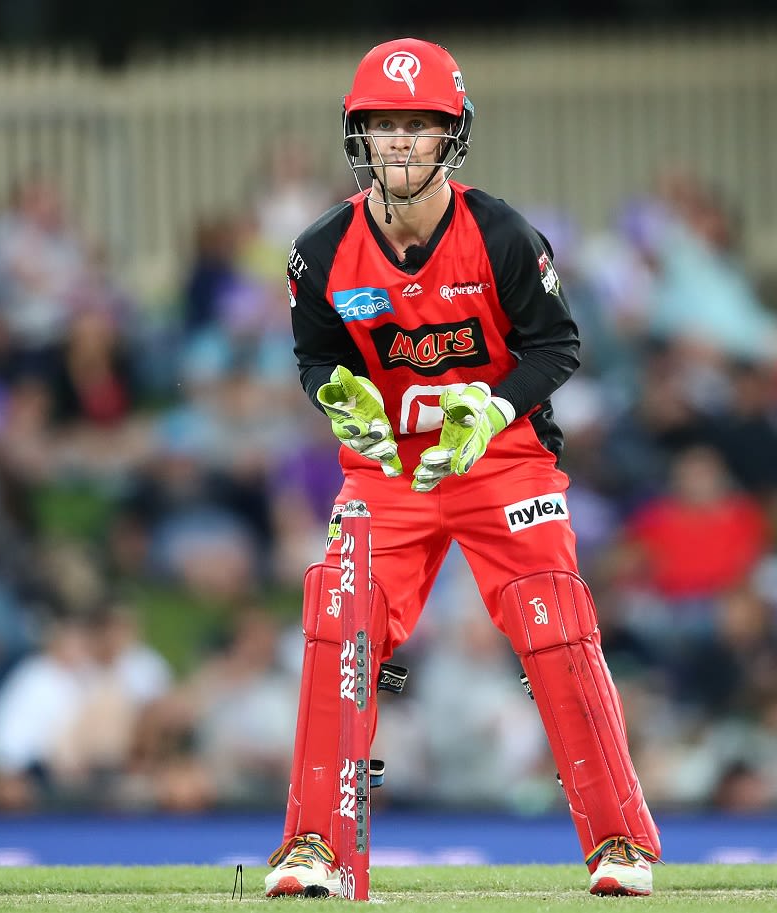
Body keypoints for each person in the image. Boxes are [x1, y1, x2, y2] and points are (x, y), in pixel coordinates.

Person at [265, 37, 660, 898]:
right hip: (388, 472)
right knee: (339, 627)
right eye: (386, 125)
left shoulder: (503, 236)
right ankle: (314, 846)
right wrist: (339, 395)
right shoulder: (319, 251)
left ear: (453, 135)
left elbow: (557, 345)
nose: (402, 141)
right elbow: (316, 355)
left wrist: (492, 407)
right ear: (360, 135)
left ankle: (620, 841)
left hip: (500, 460)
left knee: (555, 625)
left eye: (421, 124)